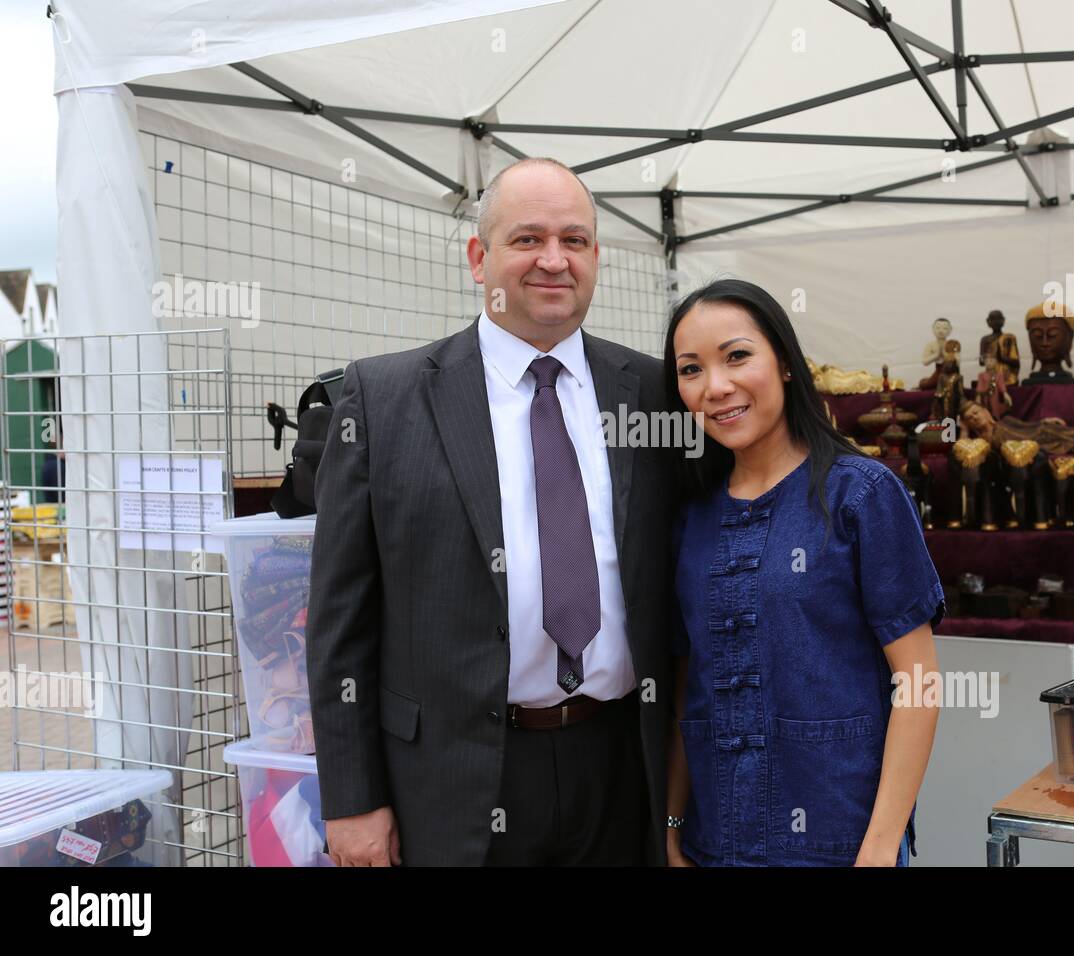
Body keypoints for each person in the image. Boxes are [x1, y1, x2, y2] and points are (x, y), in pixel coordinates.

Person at [307, 157, 678, 866]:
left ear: (596, 257)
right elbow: (338, 622)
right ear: (479, 258)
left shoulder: (654, 395)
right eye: (527, 238)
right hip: (454, 782)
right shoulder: (382, 401)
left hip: (622, 767)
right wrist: (352, 800)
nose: (553, 259)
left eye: (574, 240)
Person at [663, 279, 944, 867]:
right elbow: (691, 681)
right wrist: (671, 825)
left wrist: (881, 844)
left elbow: (918, 683)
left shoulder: (861, 493)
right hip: (715, 841)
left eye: (737, 356)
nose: (716, 387)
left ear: (785, 363)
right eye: (691, 370)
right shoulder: (691, 514)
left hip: (838, 839)